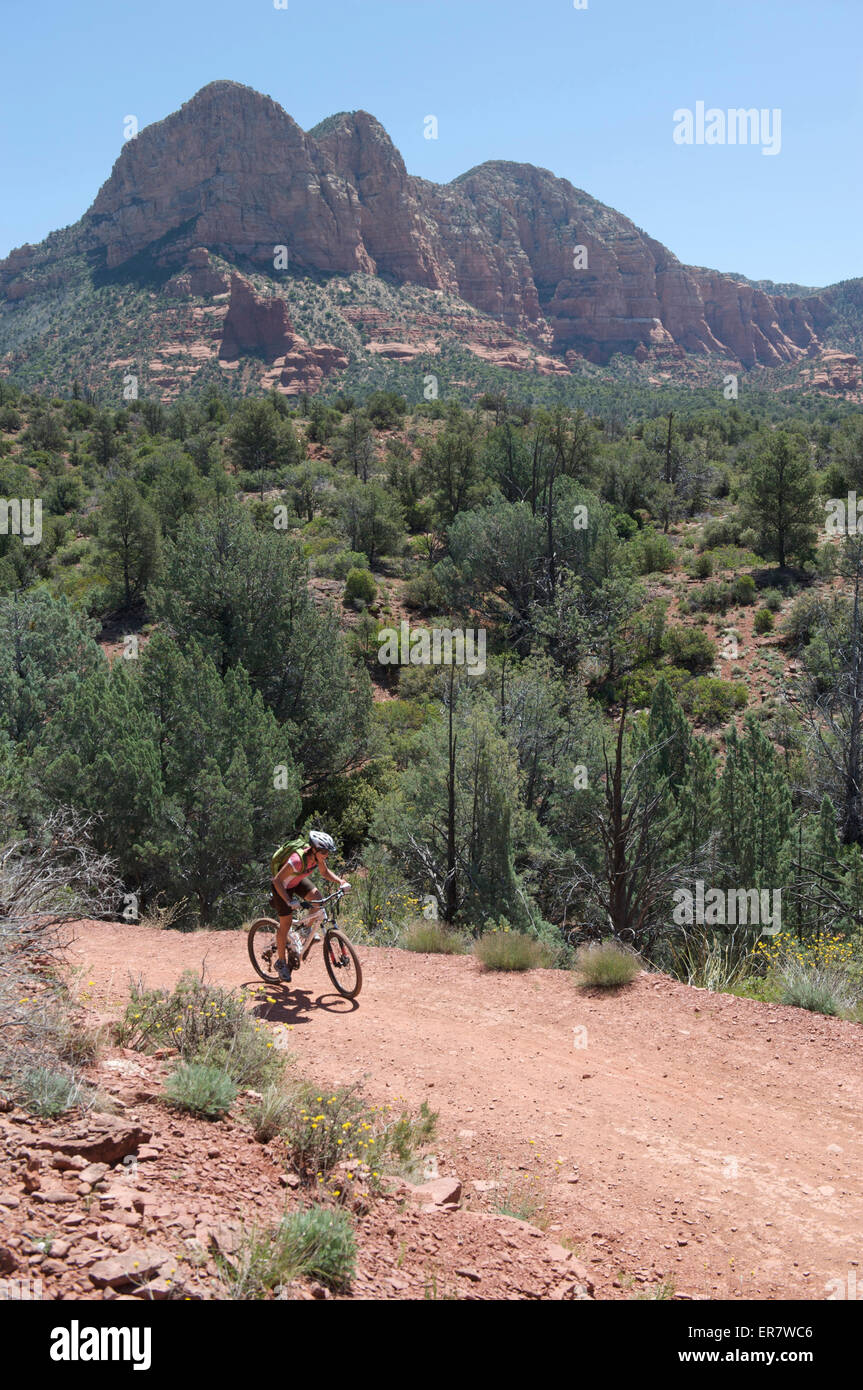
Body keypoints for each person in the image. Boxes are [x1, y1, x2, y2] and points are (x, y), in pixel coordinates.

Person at [270, 830, 350, 983]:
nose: (326, 855)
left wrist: (341, 882)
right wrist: (288, 900)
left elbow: (325, 872)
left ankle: (306, 930)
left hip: (296, 881)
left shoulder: (318, 857)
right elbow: (277, 880)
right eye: (324, 851)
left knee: (317, 898)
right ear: (314, 849)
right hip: (282, 886)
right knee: (285, 923)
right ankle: (281, 962)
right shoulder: (297, 861)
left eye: (328, 852)